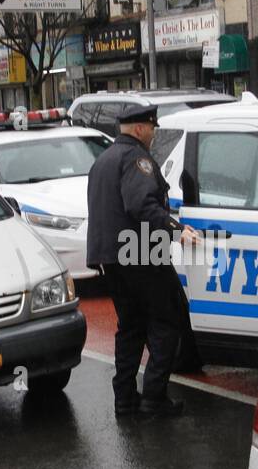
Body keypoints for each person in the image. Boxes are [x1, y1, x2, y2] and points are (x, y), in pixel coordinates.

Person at [86, 104, 201, 418]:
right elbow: (141, 205)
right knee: (167, 320)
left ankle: (125, 400)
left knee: (131, 327)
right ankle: (154, 397)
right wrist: (176, 230)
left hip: (111, 258)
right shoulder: (137, 159)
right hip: (139, 253)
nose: (154, 134)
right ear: (139, 129)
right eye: (152, 128)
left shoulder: (103, 160)